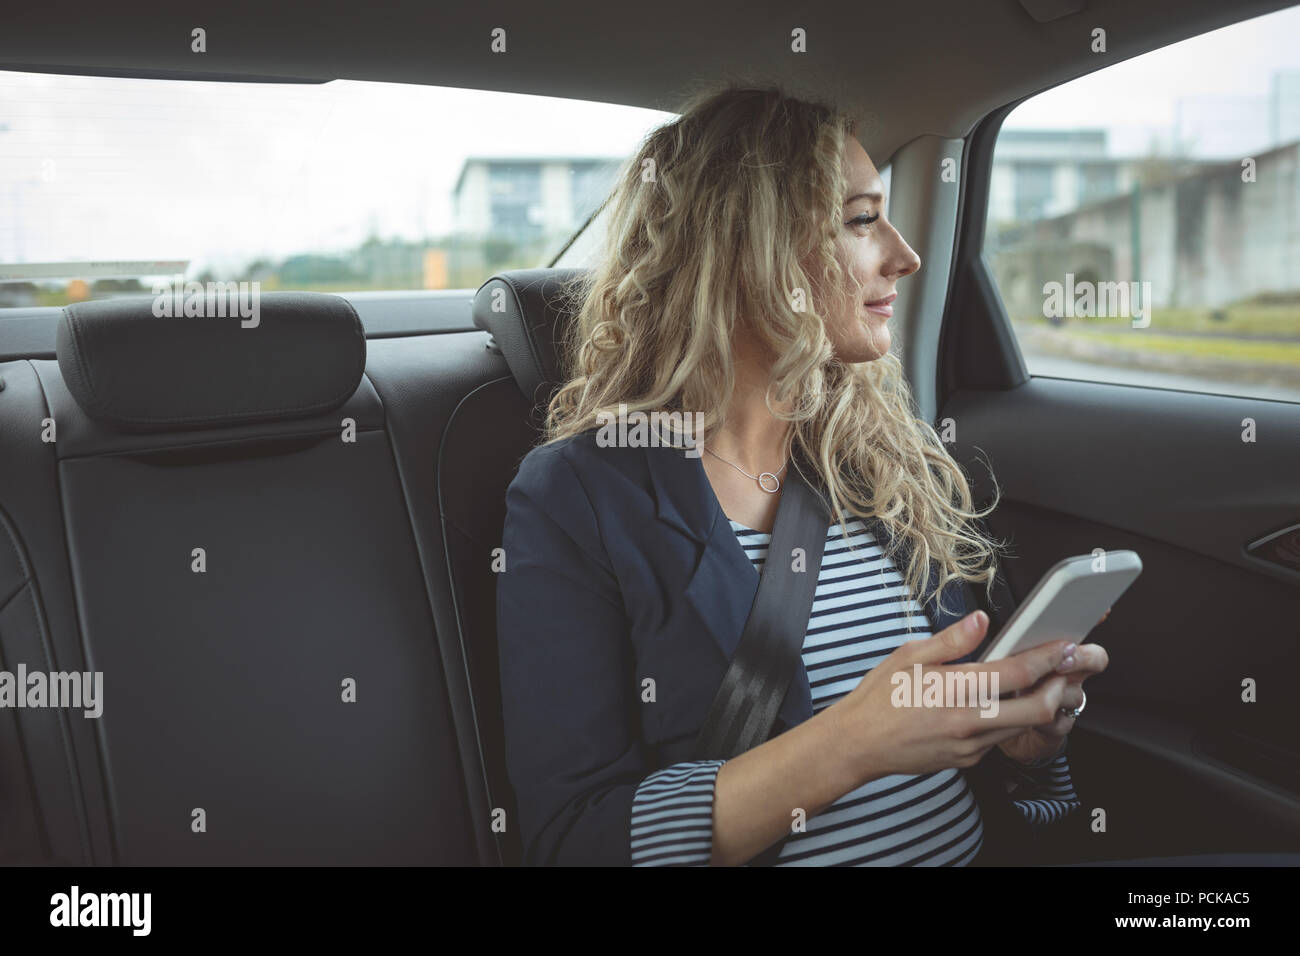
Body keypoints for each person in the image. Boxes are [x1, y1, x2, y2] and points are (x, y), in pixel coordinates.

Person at [496, 84, 1109, 866]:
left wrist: (1024, 748)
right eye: (861, 219)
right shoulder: (577, 496)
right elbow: (574, 839)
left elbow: (1016, 796)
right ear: (746, 251)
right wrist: (847, 745)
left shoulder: (885, 463)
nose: (905, 254)